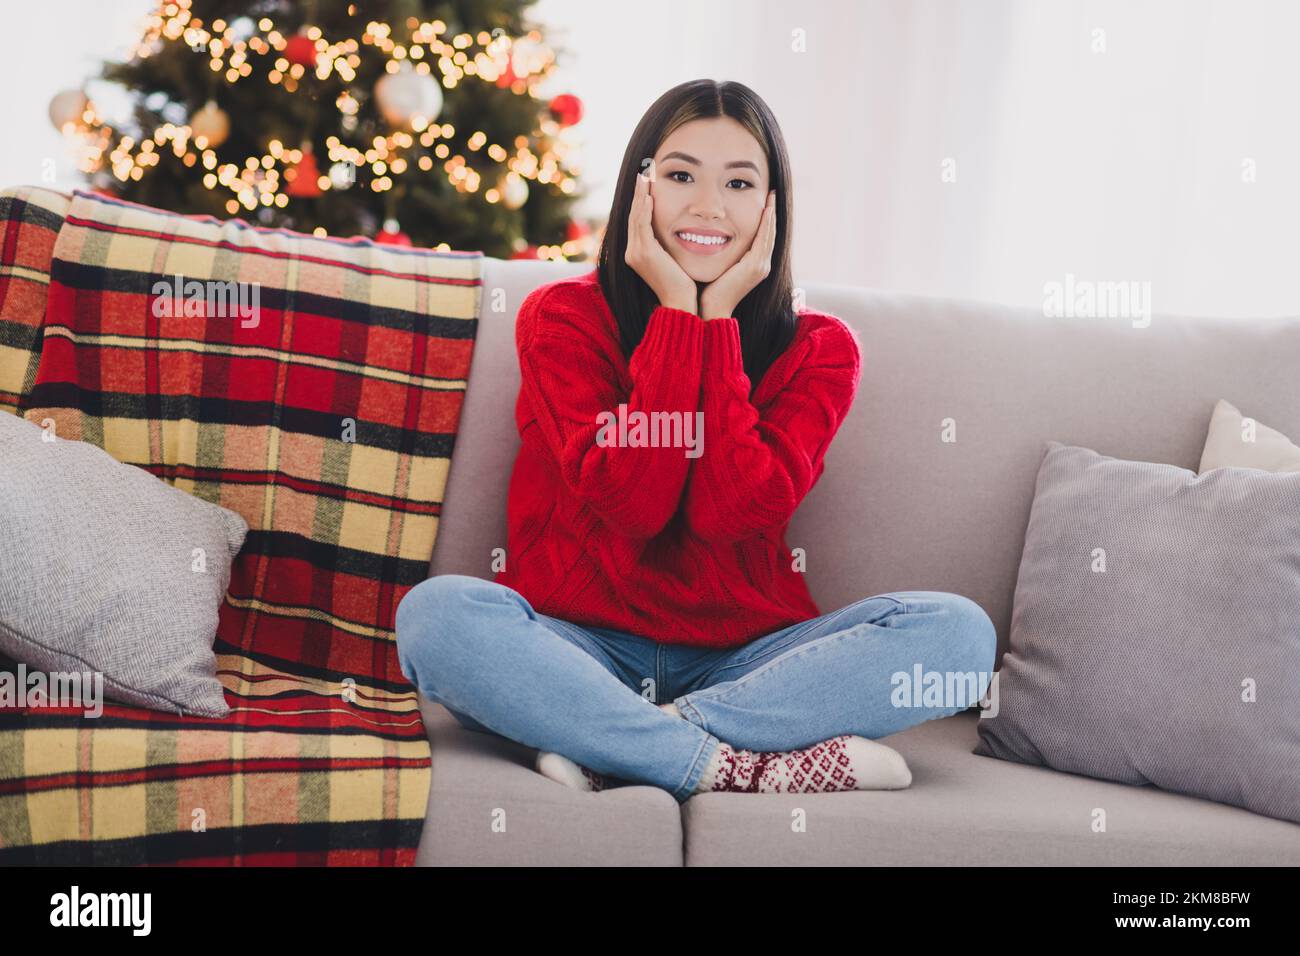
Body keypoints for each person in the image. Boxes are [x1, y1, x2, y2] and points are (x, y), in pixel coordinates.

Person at [396, 79, 996, 802]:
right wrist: (679, 312)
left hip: (751, 661)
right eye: (681, 175)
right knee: (436, 618)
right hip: (576, 650)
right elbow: (632, 504)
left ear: (773, 207)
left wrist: (715, 328)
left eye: (739, 183)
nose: (708, 206)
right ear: (639, 189)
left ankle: (617, 744)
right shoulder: (561, 319)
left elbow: (728, 511)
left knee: (960, 639)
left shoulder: (821, 349)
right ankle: (742, 766)